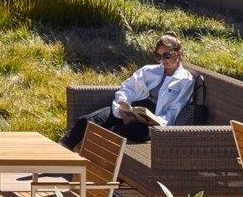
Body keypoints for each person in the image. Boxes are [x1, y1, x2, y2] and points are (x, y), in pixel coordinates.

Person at [63, 33, 197, 151]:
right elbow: (127, 89)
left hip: (151, 119)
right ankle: (61, 150)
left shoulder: (186, 80)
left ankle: (113, 130)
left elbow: (176, 110)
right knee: (88, 120)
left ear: (179, 53)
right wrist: (121, 109)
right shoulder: (148, 71)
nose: (162, 60)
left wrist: (157, 122)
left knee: (140, 133)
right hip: (131, 108)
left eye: (167, 56)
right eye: (159, 56)